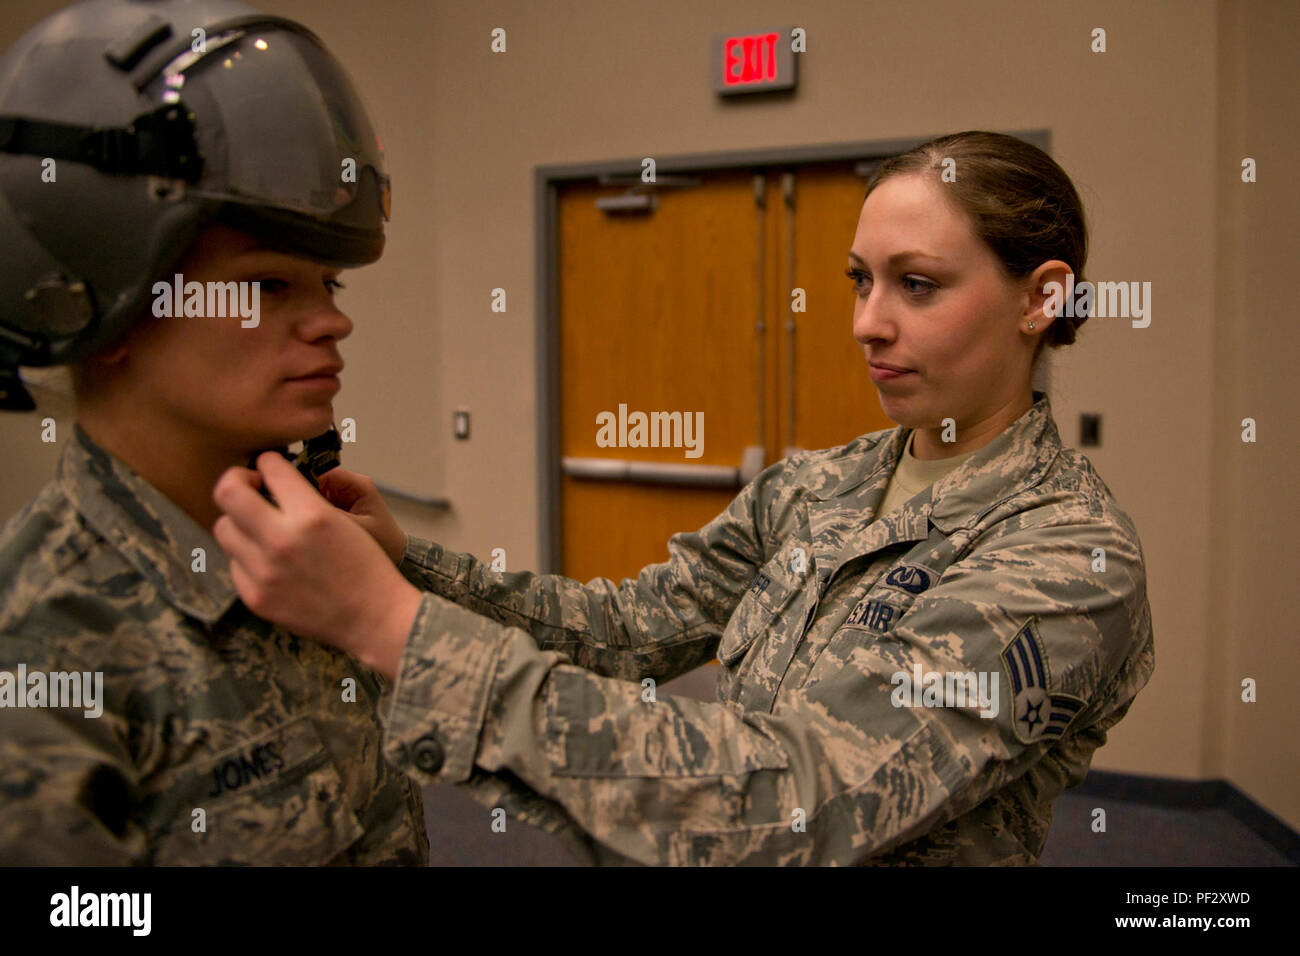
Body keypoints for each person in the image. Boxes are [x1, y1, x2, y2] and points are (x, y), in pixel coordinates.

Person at [213, 130, 1155, 865]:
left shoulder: (1068, 559)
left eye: (918, 285)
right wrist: (405, 567)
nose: (868, 324)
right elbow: (624, 629)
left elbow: (791, 803)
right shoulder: (821, 485)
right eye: (860, 282)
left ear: (1040, 299)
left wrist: (392, 629)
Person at [0, 0, 426, 864]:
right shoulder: (41, 647)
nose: (330, 325)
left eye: (328, 286)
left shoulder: (303, 551)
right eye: (268, 286)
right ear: (112, 313)